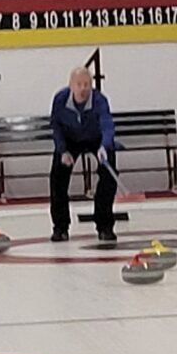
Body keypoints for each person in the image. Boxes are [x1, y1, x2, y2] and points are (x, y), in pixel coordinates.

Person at [50, 65, 118, 247]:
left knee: (109, 175)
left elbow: (107, 124)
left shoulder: (100, 100)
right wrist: (62, 150)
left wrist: (104, 146)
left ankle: (105, 226)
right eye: (79, 84)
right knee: (57, 178)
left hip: (96, 139)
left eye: (87, 84)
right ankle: (60, 227)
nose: (83, 88)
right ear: (71, 85)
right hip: (70, 139)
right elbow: (56, 126)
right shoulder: (60, 99)